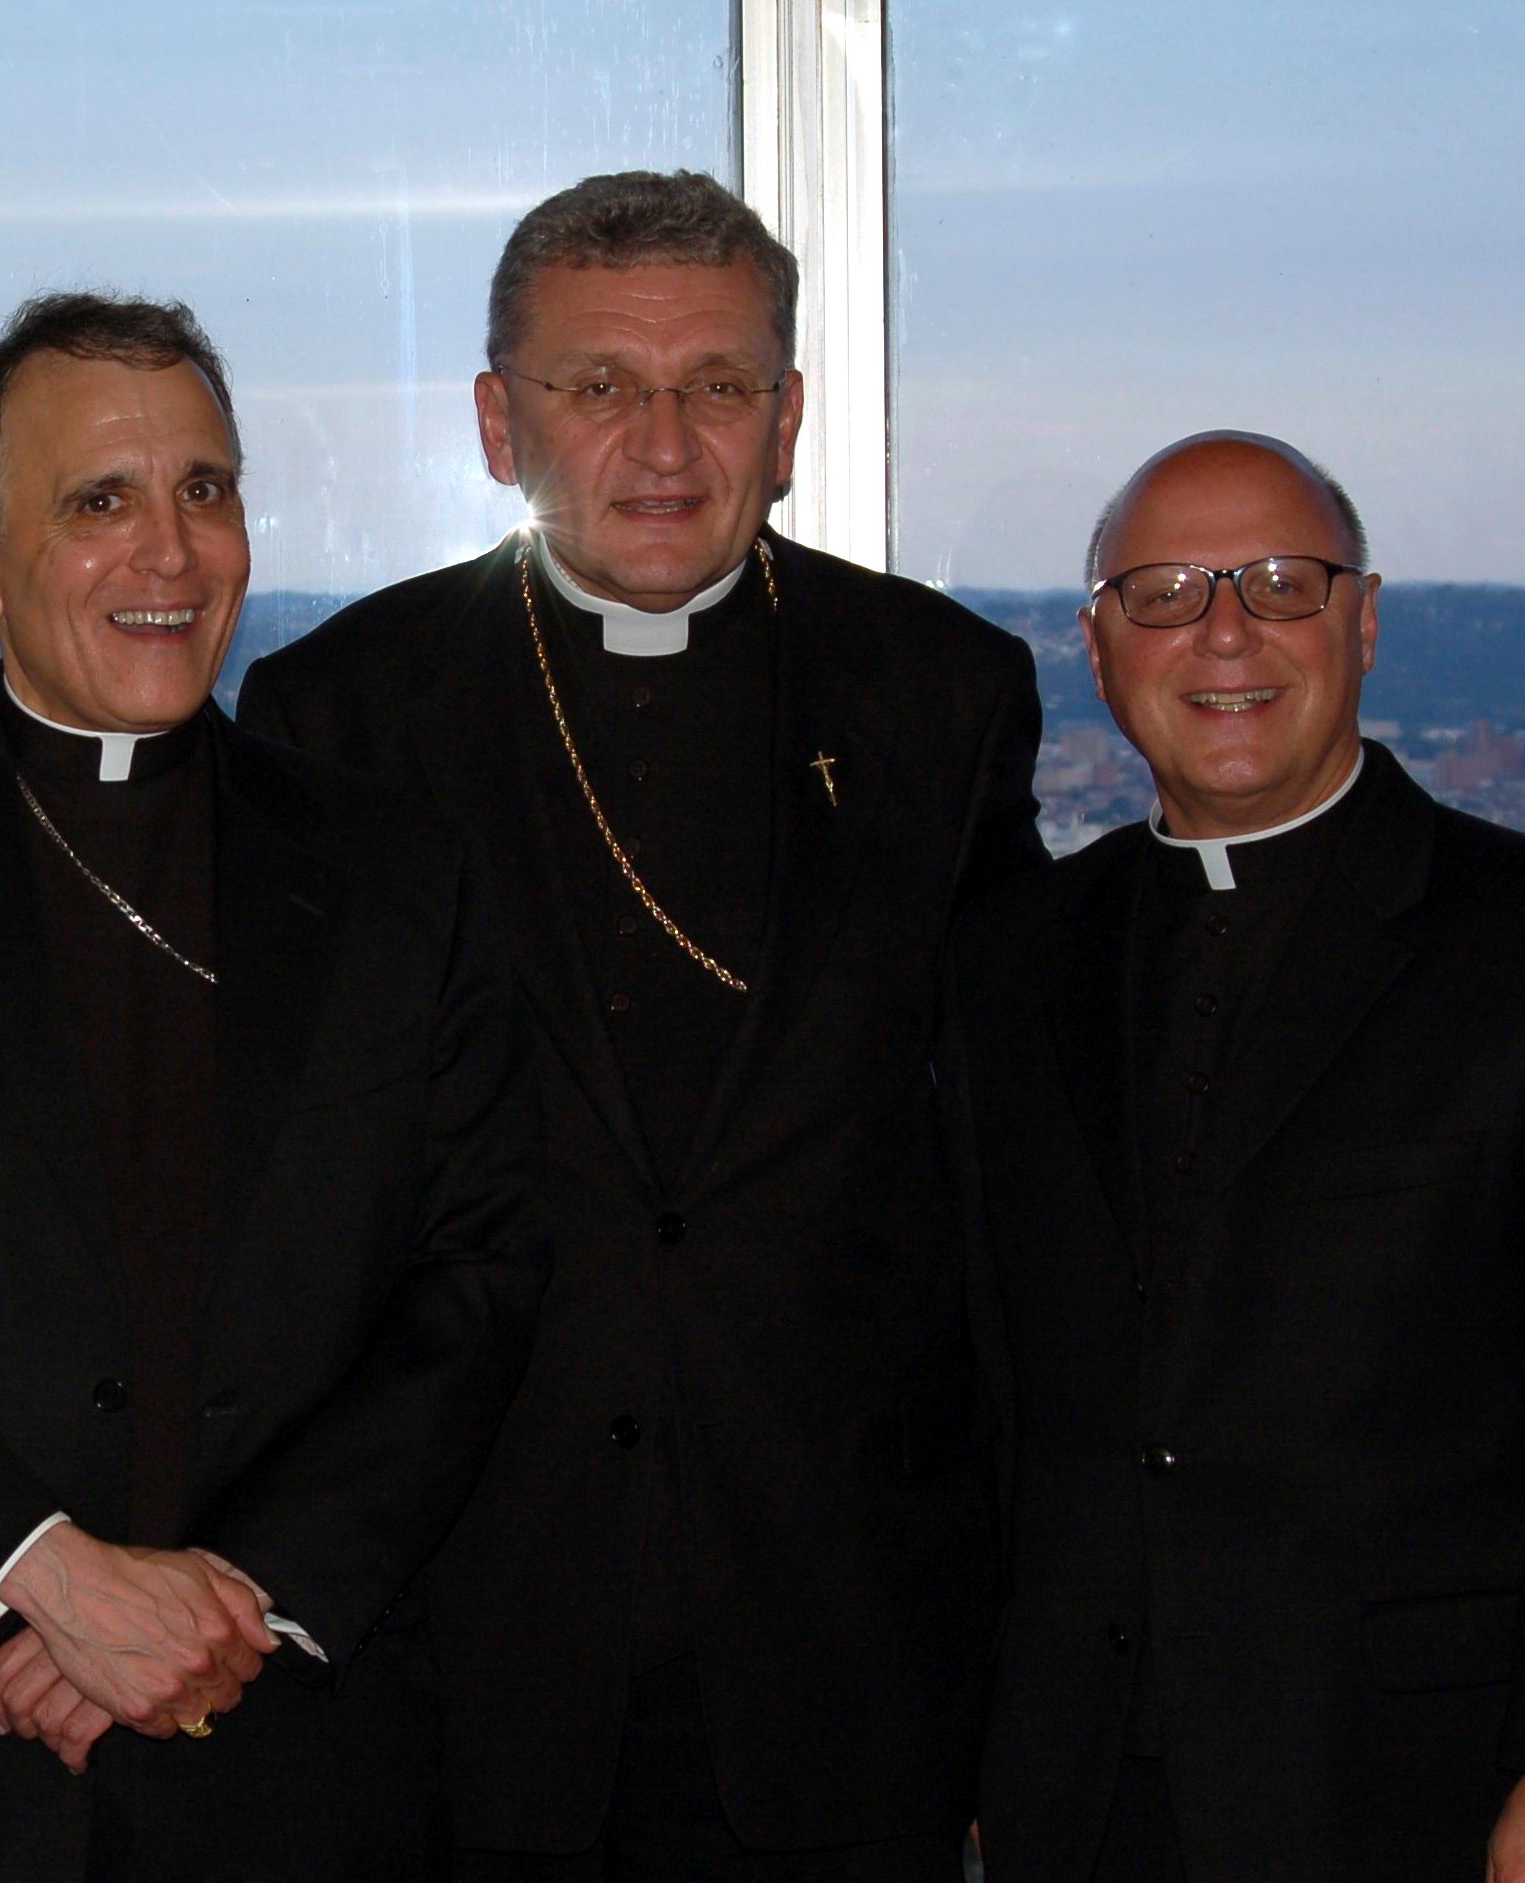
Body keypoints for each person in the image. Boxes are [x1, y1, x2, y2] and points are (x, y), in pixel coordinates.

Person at [0, 290, 545, 1881]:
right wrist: (40, 1581)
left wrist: (230, 1601)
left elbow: (477, 1273)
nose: (169, 550)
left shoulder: (394, 873)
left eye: (203, 490)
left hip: (296, 1745)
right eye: (99, 502)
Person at [239, 170, 1045, 1879]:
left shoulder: (937, 693)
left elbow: (999, 1174)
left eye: (717, 387)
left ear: (789, 420)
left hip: (848, 1618)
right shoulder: (343, 714)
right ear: (493, 421)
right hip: (469, 1609)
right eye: (597, 385)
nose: (662, 443)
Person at [941, 431, 1525, 1882]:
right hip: (1073, 1775)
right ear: (1097, 647)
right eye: (1163, 592)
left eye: (1281, 586)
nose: (1223, 633)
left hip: (1426, 1779)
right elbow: (988, 1385)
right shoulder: (1010, 957)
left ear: (1363, 622)